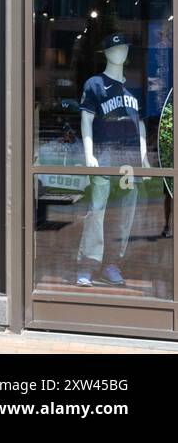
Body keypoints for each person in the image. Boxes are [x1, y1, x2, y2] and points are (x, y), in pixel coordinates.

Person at [76, 33, 148, 287]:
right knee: (97, 211)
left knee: (125, 213)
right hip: (104, 154)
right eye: (115, 48)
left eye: (124, 48)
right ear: (106, 53)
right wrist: (88, 154)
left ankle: (112, 264)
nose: (121, 52)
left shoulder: (134, 87)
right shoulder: (95, 84)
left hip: (128, 160)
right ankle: (88, 265)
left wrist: (143, 156)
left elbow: (139, 125)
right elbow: (86, 120)